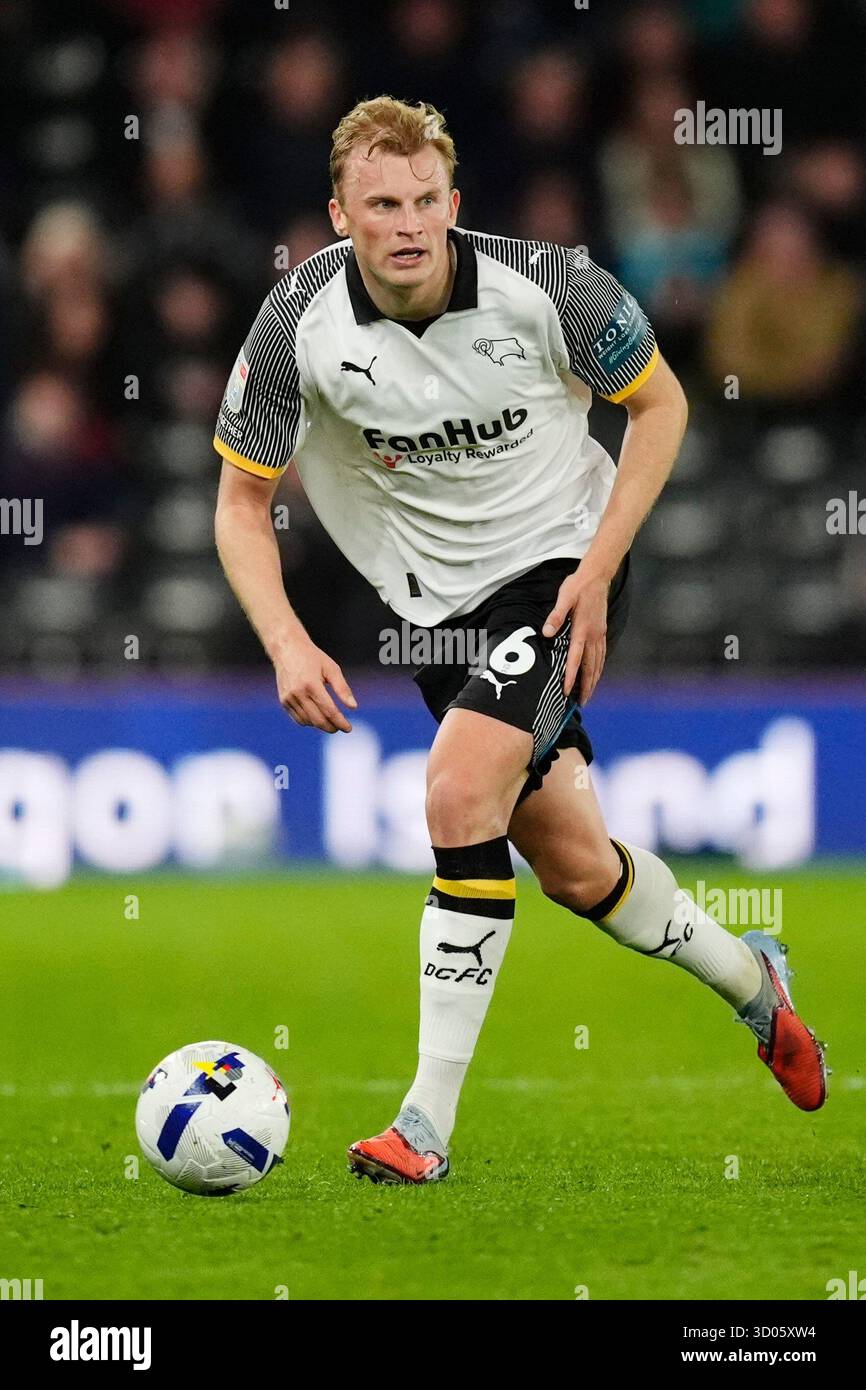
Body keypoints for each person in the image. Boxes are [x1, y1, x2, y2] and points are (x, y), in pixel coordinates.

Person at [213, 98, 826, 1185]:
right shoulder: (295, 322)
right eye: (380, 204)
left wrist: (596, 570)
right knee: (573, 864)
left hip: (557, 574)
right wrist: (284, 639)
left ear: (454, 201)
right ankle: (750, 981)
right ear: (338, 215)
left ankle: (422, 1124)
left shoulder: (550, 286)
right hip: (434, 616)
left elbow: (661, 406)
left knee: (455, 796)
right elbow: (238, 499)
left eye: (423, 201)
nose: (405, 223)